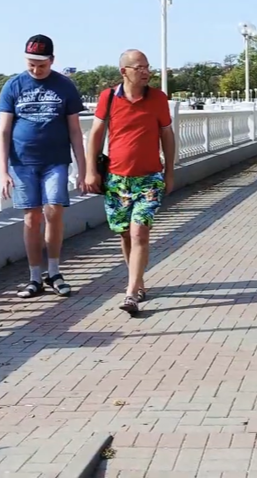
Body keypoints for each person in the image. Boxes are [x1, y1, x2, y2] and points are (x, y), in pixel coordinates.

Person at [84, 49, 176, 316]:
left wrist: (169, 171)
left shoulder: (158, 98)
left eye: (148, 67)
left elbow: (167, 137)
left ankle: (131, 292)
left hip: (149, 179)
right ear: (124, 71)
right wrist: (91, 171)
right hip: (117, 179)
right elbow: (96, 135)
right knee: (125, 233)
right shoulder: (109, 98)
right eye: (140, 67)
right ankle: (138, 282)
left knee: (139, 233)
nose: (146, 72)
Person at [0, 34, 87, 299]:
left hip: (56, 160)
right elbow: (4, 131)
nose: (36, 70)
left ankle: (55, 271)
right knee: (31, 217)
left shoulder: (64, 86)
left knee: (54, 211)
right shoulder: (13, 85)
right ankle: (34, 276)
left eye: (42, 65)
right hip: (22, 162)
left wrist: (83, 168)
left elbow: (74, 130)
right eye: (31, 64)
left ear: (52, 61)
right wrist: (2, 170)